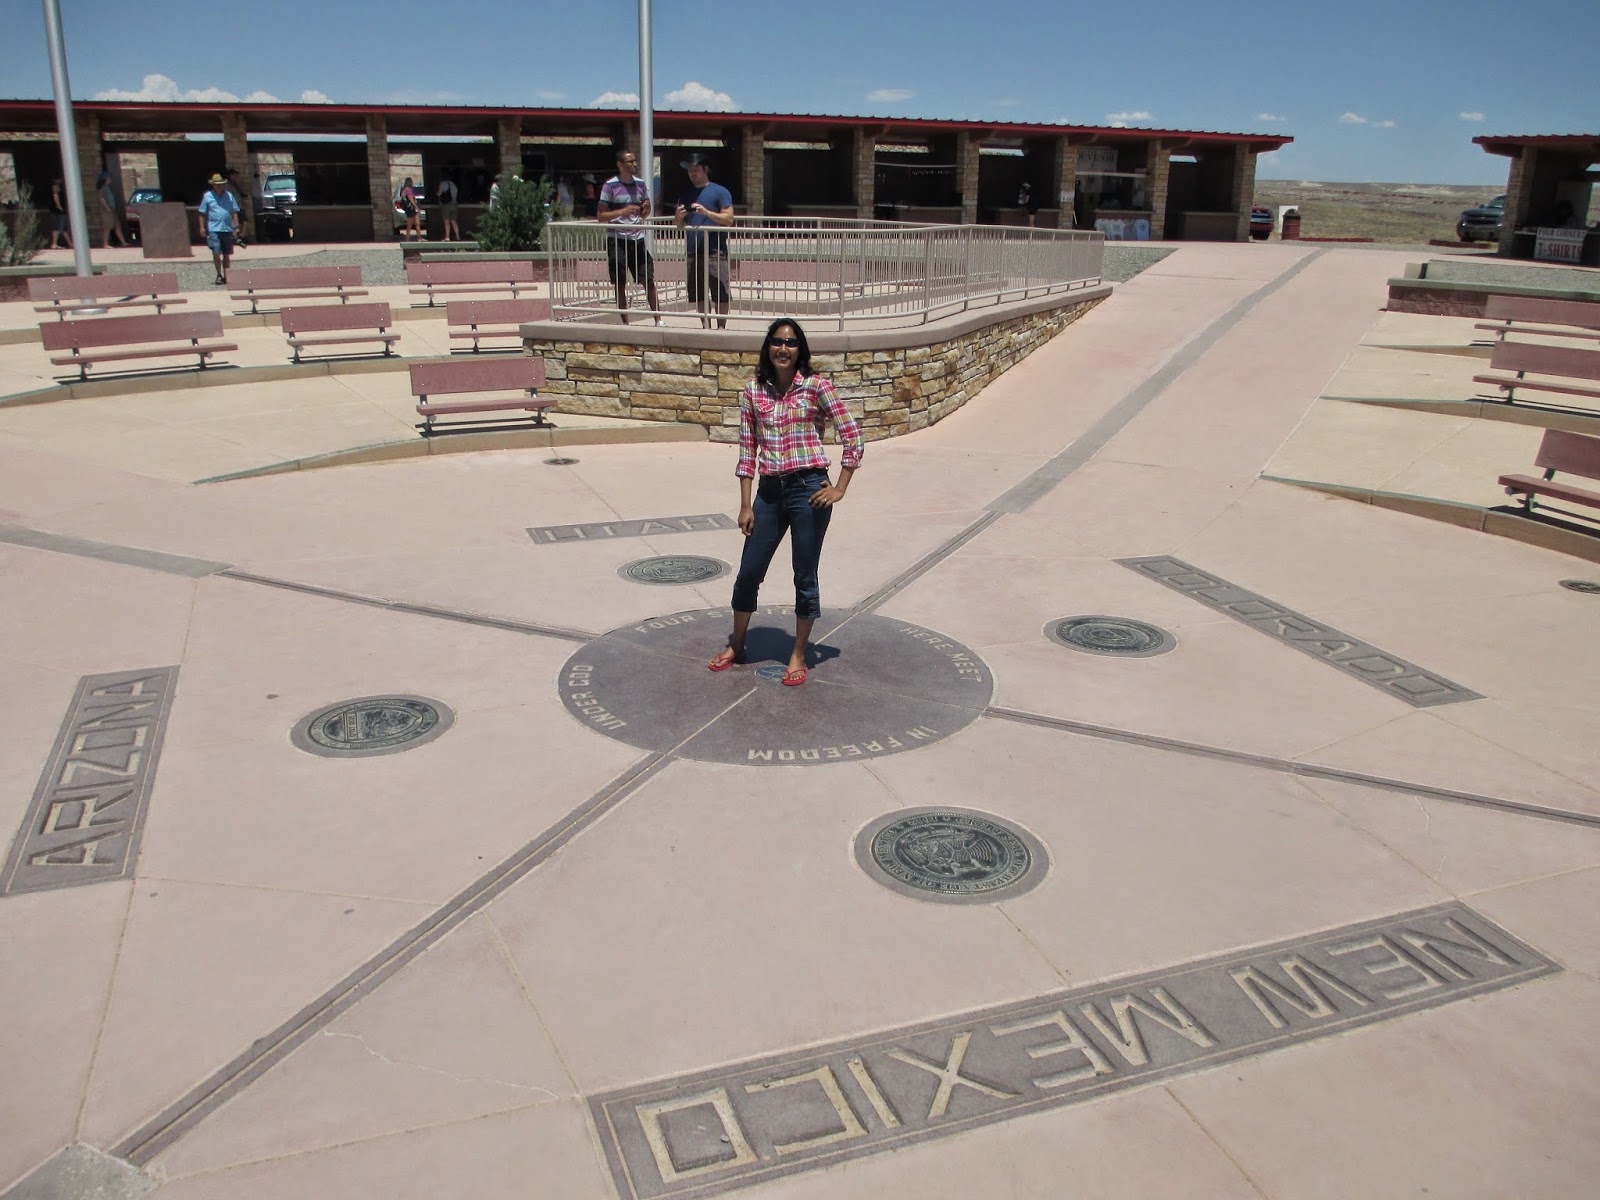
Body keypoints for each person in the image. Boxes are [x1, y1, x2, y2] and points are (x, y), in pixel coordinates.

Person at [708, 318, 864, 686]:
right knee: (748, 573)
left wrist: (839, 487)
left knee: (804, 575)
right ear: (768, 347)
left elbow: (852, 435)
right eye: (777, 342)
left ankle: (798, 653)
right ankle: (739, 645)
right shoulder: (752, 392)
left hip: (809, 490)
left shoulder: (815, 387)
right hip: (768, 492)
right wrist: (746, 505)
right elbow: (748, 452)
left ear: (800, 350)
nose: (783, 348)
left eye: (791, 343)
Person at [598, 150, 662, 325]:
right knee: (619, 281)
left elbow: (644, 215)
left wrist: (646, 209)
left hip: (637, 239)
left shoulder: (641, 185)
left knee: (647, 278)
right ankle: (625, 321)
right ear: (620, 165)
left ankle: (658, 319)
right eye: (630, 162)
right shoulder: (610, 186)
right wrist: (622, 212)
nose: (635, 164)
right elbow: (601, 215)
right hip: (617, 239)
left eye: (635, 161)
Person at [674, 153, 734, 329]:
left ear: (705, 170)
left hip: (715, 250)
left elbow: (729, 218)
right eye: (690, 171)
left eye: (696, 170)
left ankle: (721, 327)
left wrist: (707, 213)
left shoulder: (720, 191)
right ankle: (705, 327)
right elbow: (678, 225)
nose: (692, 174)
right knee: (699, 293)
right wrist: (679, 216)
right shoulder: (686, 194)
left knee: (720, 291)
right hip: (694, 250)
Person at [197, 173, 240, 284]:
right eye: (217, 185)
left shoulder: (229, 196)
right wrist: (202, 227)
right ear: (213, 185)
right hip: (214, 228)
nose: (219, 186)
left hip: (226, 228)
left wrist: (236, 227)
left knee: (226, 253)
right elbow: (202, 212)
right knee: (216, 252)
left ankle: (227, 275)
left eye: (221, 184)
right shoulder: (208, 196)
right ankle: (219, 274)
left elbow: (234, 211)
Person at [96, 170, 127, 248]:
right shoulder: (103, 188)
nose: (111, 179)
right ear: (106, 179)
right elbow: (102, 199)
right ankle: (105, 243)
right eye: (109, 178)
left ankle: (123, 242)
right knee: (108, 226)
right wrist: (108, 208)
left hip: (112, 210)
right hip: (107, 211)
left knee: (117, 225)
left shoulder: (108, 188)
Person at [396, 177, 422, 241]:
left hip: (411, 210)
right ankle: (408, 239)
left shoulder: (405, 190)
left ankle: (419, 238)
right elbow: (411, 200)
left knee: (417, 223)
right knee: (409, 225)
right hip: (411, 209)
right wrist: (417, 208)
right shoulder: (408, 190)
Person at [437, 171, 461, 240]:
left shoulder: (443, 184)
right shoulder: (453, 184)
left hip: (446, 205)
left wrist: (437, 194)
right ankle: (457, 236)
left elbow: (439, 193)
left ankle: (447, 237)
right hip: (454, 204)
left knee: (446, 221)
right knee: (453, 221)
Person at [49, 178, 70, 249]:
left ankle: (70, 243)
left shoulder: (59, 187)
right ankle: (54, 243)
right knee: (58, 227)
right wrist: (59, 206)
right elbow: (55, 196)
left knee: (64, 228)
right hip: (58, 211)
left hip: (61, 211)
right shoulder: (55, 186)